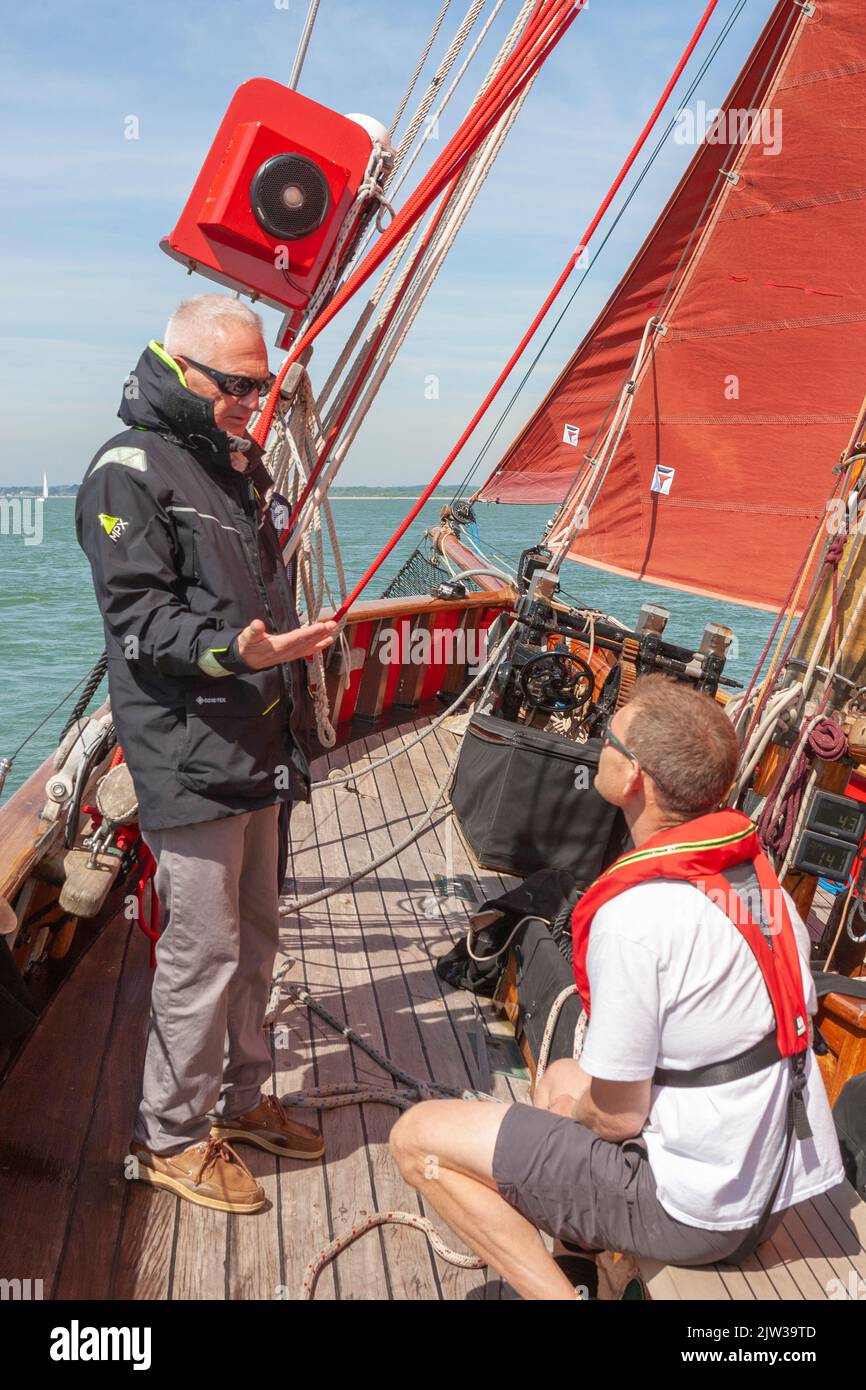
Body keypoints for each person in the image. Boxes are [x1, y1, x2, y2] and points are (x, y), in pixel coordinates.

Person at [390, 675, 845, 1298]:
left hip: (696, 1213)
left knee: (417, 1138)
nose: (598, 741)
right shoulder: (759, 885)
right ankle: (579, 1266)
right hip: (773, 1191)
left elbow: (619, 1114)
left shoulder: (637, 919)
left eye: (608, 738)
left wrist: (568, 1110)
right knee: (565, 1075)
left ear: (632, 778)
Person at [76, 293, 337, 1214]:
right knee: (204, 952)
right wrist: (239, 654)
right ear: (179, 364)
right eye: (235, 384)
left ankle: (242, 1097)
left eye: (259, 385)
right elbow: (140, 621)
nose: (251, 401)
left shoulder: (230, 465)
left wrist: (280, 664)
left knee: (259, 938)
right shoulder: (128, 472)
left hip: (259, 743)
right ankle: (172, 1138)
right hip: (188, 754)